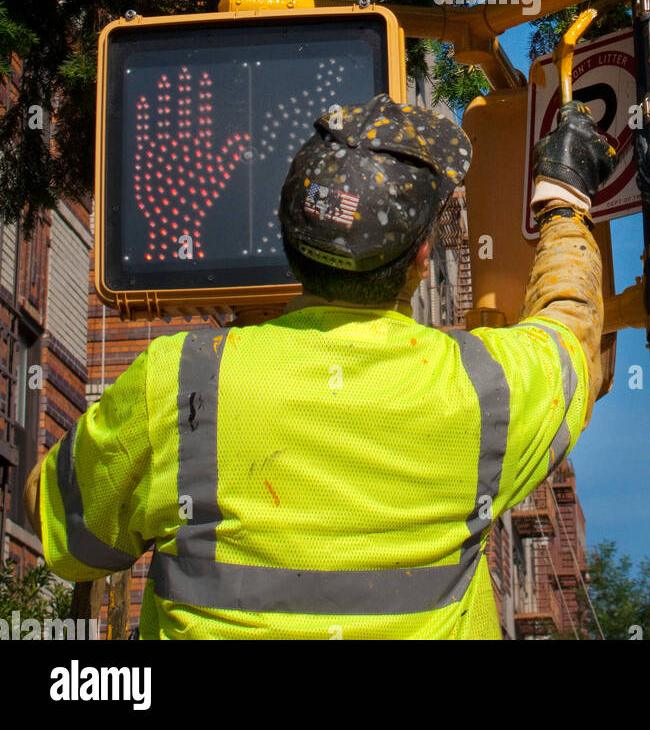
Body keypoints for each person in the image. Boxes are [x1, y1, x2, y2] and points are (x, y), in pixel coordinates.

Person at [25, 92, 613, 639]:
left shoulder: (181, 382)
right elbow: (571, 335)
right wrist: (563, 199)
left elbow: (62, 531)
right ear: (422, 258)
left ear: (286, 239)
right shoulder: (483, 392)